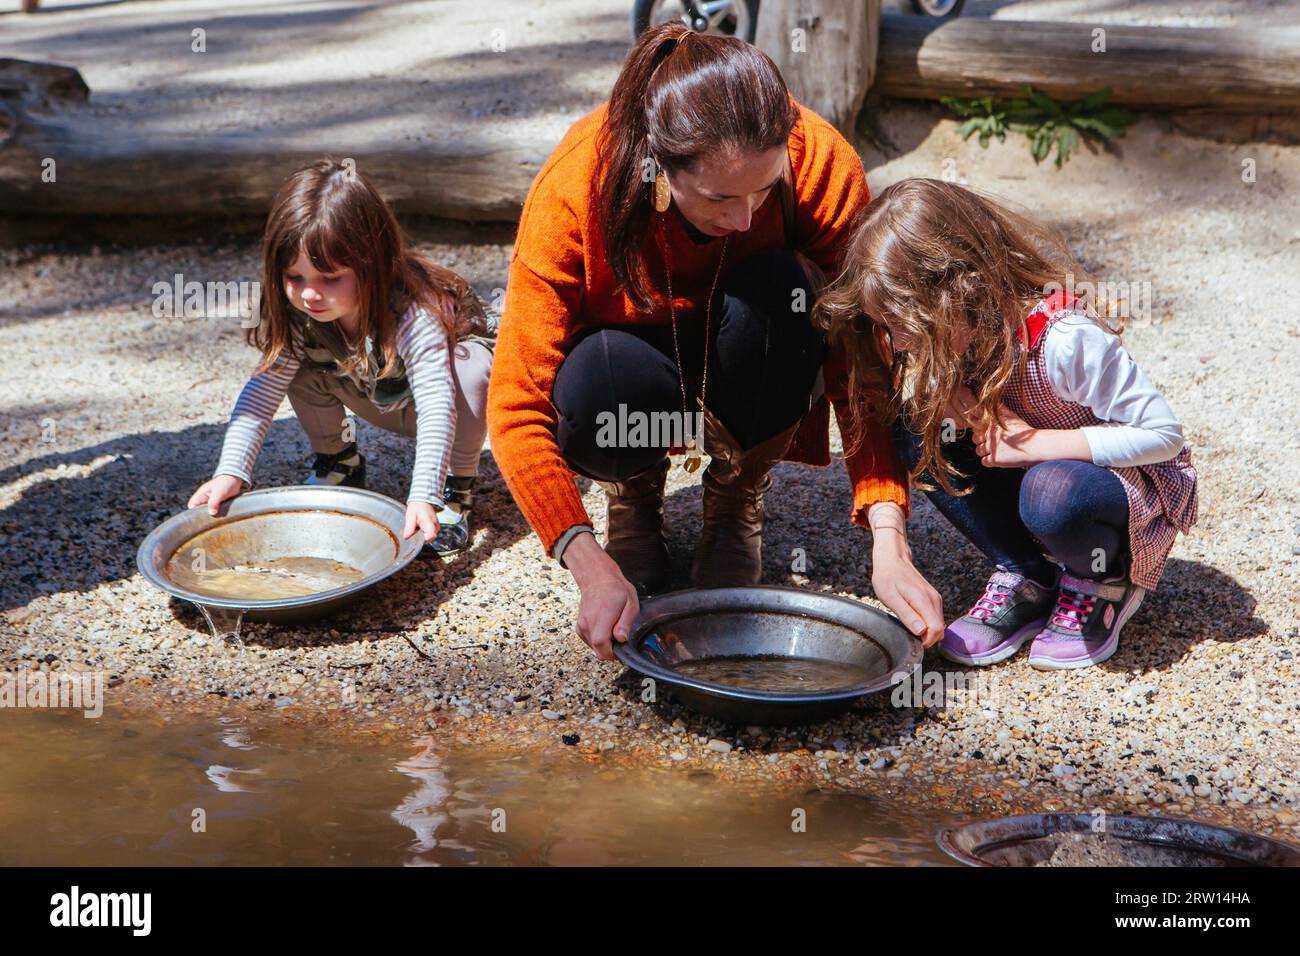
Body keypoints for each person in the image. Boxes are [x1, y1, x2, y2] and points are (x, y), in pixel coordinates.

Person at [487, 24, 943, 660]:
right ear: (657, 167)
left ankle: (736, 497)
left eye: (763, 188)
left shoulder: (820, 162)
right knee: (600, 379)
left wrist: (888, 536)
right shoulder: (574, 187)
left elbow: (860, 361)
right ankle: (633, 495)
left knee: (789, 288)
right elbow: (515, 400)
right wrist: (583, 559)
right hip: (632, 371)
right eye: (720, 197)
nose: (746, 217)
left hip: (750, 349)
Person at [816, 178, 1199, 669]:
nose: (901, 342)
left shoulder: (1065, 341)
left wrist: (1036, 443)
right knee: (919, 430)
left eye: (907, 327)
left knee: (1049, 491)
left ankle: (1101, 580)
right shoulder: (965, 333)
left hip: (1119, 486)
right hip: (1035, 468)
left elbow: (1164, 437)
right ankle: (1026, 574)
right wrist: (954, 394)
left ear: (960, 291)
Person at [188, 159, 494, 555]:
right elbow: (261, 392)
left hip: (438, 409)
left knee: (473, 367)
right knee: (288, 364)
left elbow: (437, 404)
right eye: (294, 277)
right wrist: (231, 472)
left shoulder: (413, 308)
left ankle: (455, 489)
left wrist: (423, 496)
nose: (310, 293)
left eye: (329, 278)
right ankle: (340, 461)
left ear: (372, 264)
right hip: (376, 392)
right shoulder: (301, 312)